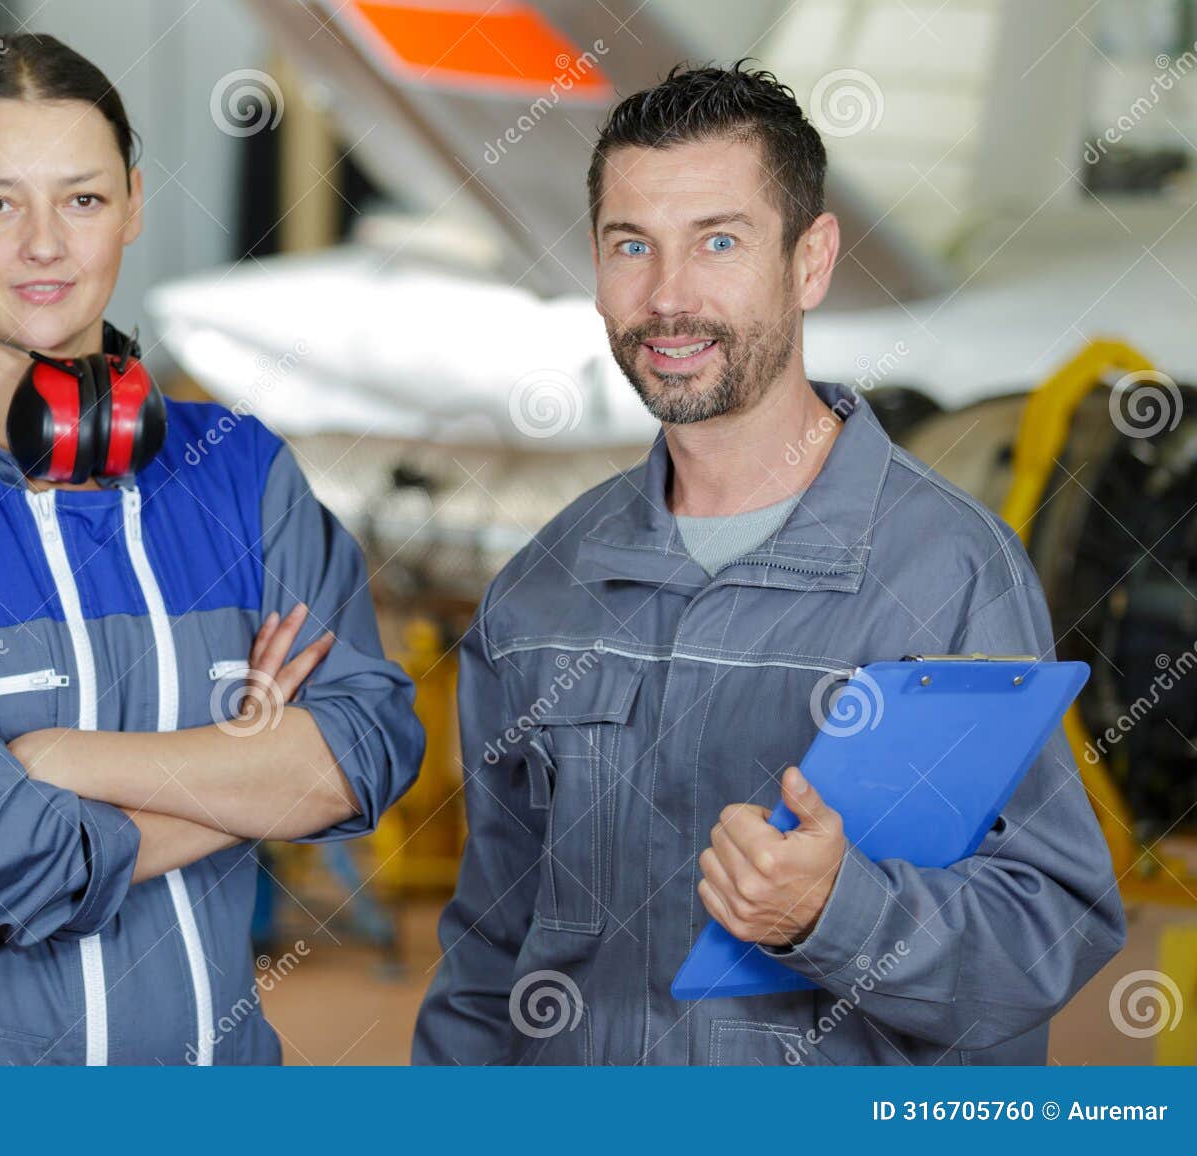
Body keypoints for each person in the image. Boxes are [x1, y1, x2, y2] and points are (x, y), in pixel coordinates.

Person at [413, 61, 1125, 1065]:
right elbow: (490, 950)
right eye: (631, 246)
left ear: (809, 259)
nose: (666, 297)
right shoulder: (546, 585)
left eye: (717, 241)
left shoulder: (946, 573)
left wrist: (839, 911)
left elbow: (1048, 928)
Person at [0, 32, 423, 1066]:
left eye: (84, 199)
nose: (44, 245)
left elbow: (365, 751)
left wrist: (62, 762)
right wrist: (252, 776)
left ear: (135, 205)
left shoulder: (241, 476)